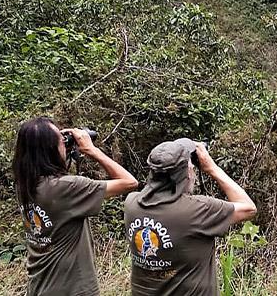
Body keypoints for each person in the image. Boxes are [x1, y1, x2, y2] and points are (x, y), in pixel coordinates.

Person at [13, 117, 139, 296]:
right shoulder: (66, 188)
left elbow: (53, 178)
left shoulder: (24, 183)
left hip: (40, 286)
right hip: (72, 288)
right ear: (50, 150)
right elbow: (129, 182)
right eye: (60, 141)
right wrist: (91, 150)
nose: (65, 144)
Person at [124, 139, 257, 296]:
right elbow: (249, 208)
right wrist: (212, 168)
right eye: (190, 165)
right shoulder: (197, 210)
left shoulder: (131, 203)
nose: (193, 167)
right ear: (185, 173)